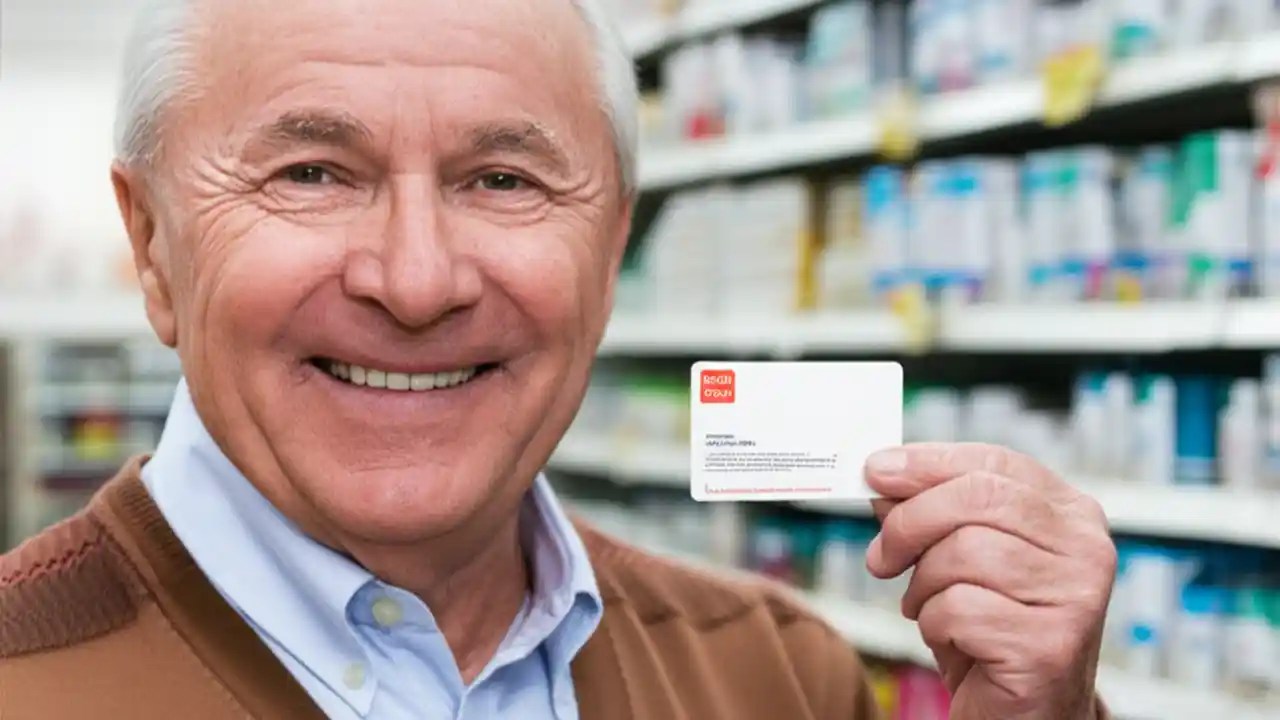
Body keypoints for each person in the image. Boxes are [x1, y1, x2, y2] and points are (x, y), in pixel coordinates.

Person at [0, 0, 1117, 717]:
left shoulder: (778, 679)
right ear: (151, 246)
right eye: (311, 173)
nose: (417, 279)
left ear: (610, 247)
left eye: (503, 181)